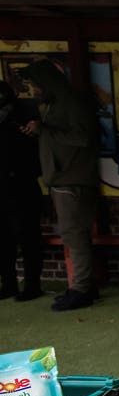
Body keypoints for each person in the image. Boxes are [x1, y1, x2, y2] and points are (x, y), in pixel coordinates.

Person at [18, 59, 102, 311]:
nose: (34, 90)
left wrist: (44, 130)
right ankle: (82, 286)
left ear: (48, 82)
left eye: (36, 84)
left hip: (72, 182)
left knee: (74, 236)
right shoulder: (58, 104)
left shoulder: (71, 103)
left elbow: (83, 137)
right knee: (73, 236)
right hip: (65, 181)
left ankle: (81, 289)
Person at [0, 80, 45, 301]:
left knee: (28, 238)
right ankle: (9, 285)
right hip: (12, 184)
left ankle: (31, 286)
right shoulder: (24, 111)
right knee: (6, 240)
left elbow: (36, 146)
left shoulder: (26, 114)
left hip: (21, 184)